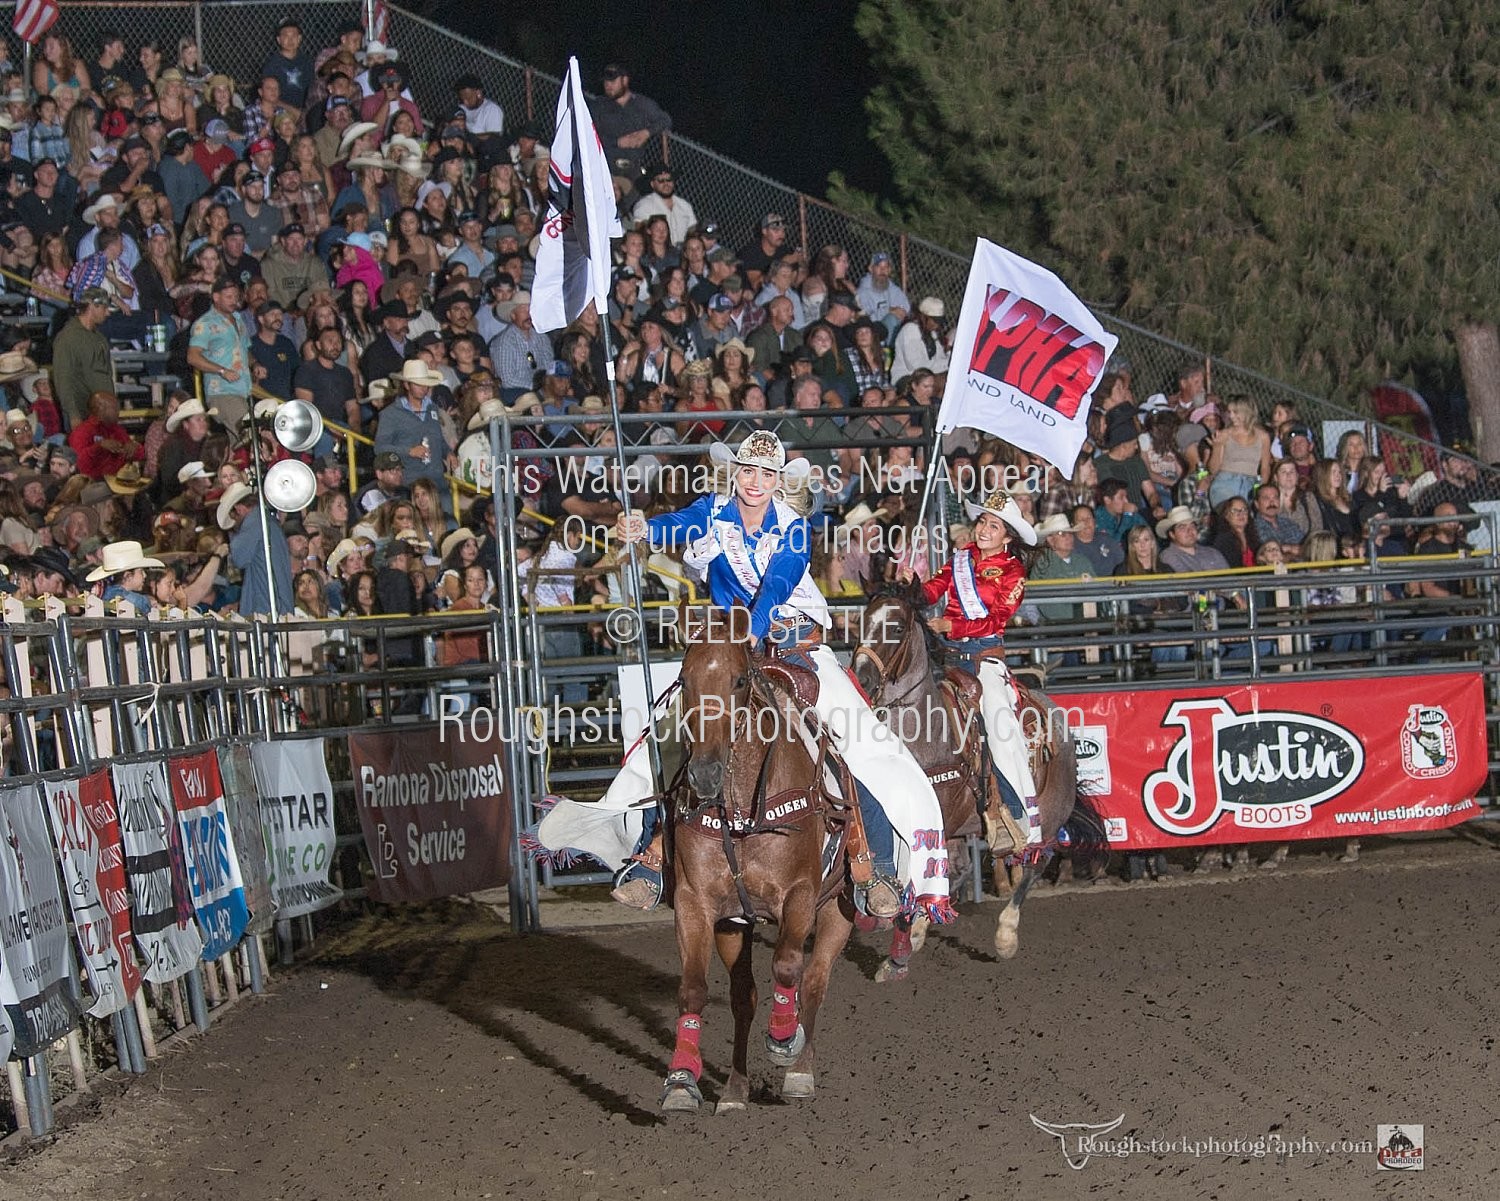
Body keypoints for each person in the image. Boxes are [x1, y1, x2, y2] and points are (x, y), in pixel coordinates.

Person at [546, 430, 952, 923]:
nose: (756, 482)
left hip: (798, 647)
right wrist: (644, 529)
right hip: (738, 649)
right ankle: (650, 855)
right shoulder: (714, 510)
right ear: (735, 474)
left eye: (766, 474)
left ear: (779, 481)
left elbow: (779, 582)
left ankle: (879, 866)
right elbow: (680, 525)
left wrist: (753, 631)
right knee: (674, 732)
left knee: (860, 742)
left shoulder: (794, 528)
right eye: (749, 471)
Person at [900, 488, 1043, 849]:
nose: (984, 529)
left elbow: (997, 619)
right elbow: (933, 591)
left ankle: (1018, 809)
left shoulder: (1014, 573)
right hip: (948, 657)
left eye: (993, 526)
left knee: (997, 718)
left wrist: (954, 627)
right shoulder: (960, 558)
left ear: (1007, 536)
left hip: (984, 659)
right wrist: (913, 586)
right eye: (982, 522)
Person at [187, 276, 253, 427]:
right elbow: (192, 357)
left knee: (242, 440)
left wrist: (255, 364)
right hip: (222, 392)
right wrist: (222, 371)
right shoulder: (205, 323)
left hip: (243, 390)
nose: (233, 301)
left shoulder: (238, 319)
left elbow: (244, 350)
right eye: (229, 297)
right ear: (216, 297)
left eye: (236, 297)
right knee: (247, 434)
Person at [591, 63, 671, 183]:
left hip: (633, 170)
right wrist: (617, 142)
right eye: (606, 81)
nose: (608, 85)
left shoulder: (641, 104)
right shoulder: (599, 106)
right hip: (604, 167)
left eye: (613, 80)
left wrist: (646, 133)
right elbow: (589, 135)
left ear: (625, 80)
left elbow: (665, 120)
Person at [50, 287, 114, 429]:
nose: (108, 313)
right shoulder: (68, 338)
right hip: (82, 412)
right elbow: (63, 380)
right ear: (92, 306)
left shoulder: (100, 338)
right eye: (104, 308)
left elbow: (107, 374)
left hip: (103, 413)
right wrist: (73, 415)